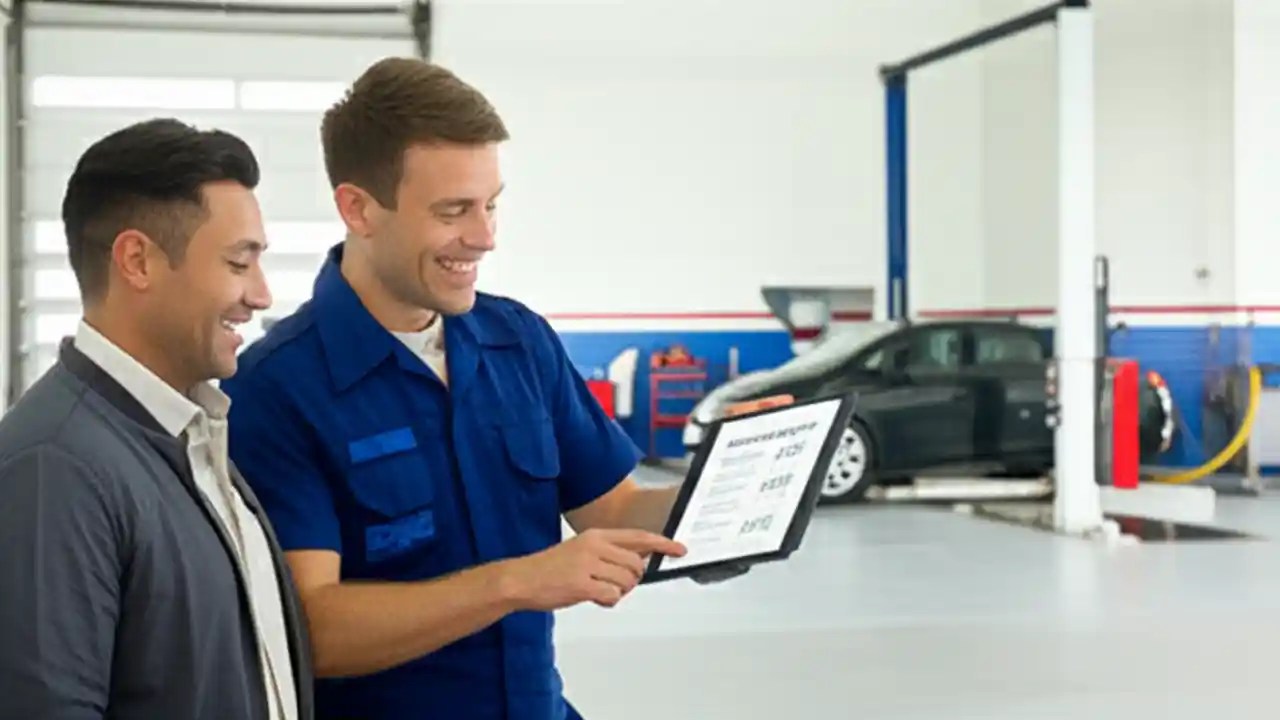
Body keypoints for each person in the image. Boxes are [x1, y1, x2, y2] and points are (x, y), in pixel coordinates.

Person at [222, 57, 784, 720]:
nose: (484, 237)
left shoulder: (518, 342)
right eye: (453, 211)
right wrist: (518, 582)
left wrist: (729, 484)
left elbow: (613, 510)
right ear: (358, 208)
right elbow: (313, 631)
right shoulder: (276, 389)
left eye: (490, 205)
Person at [0, 118, 313, 720]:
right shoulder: (54, 469)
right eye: (238, 263)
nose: (262, 295)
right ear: (138, 261)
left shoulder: (194, 440)